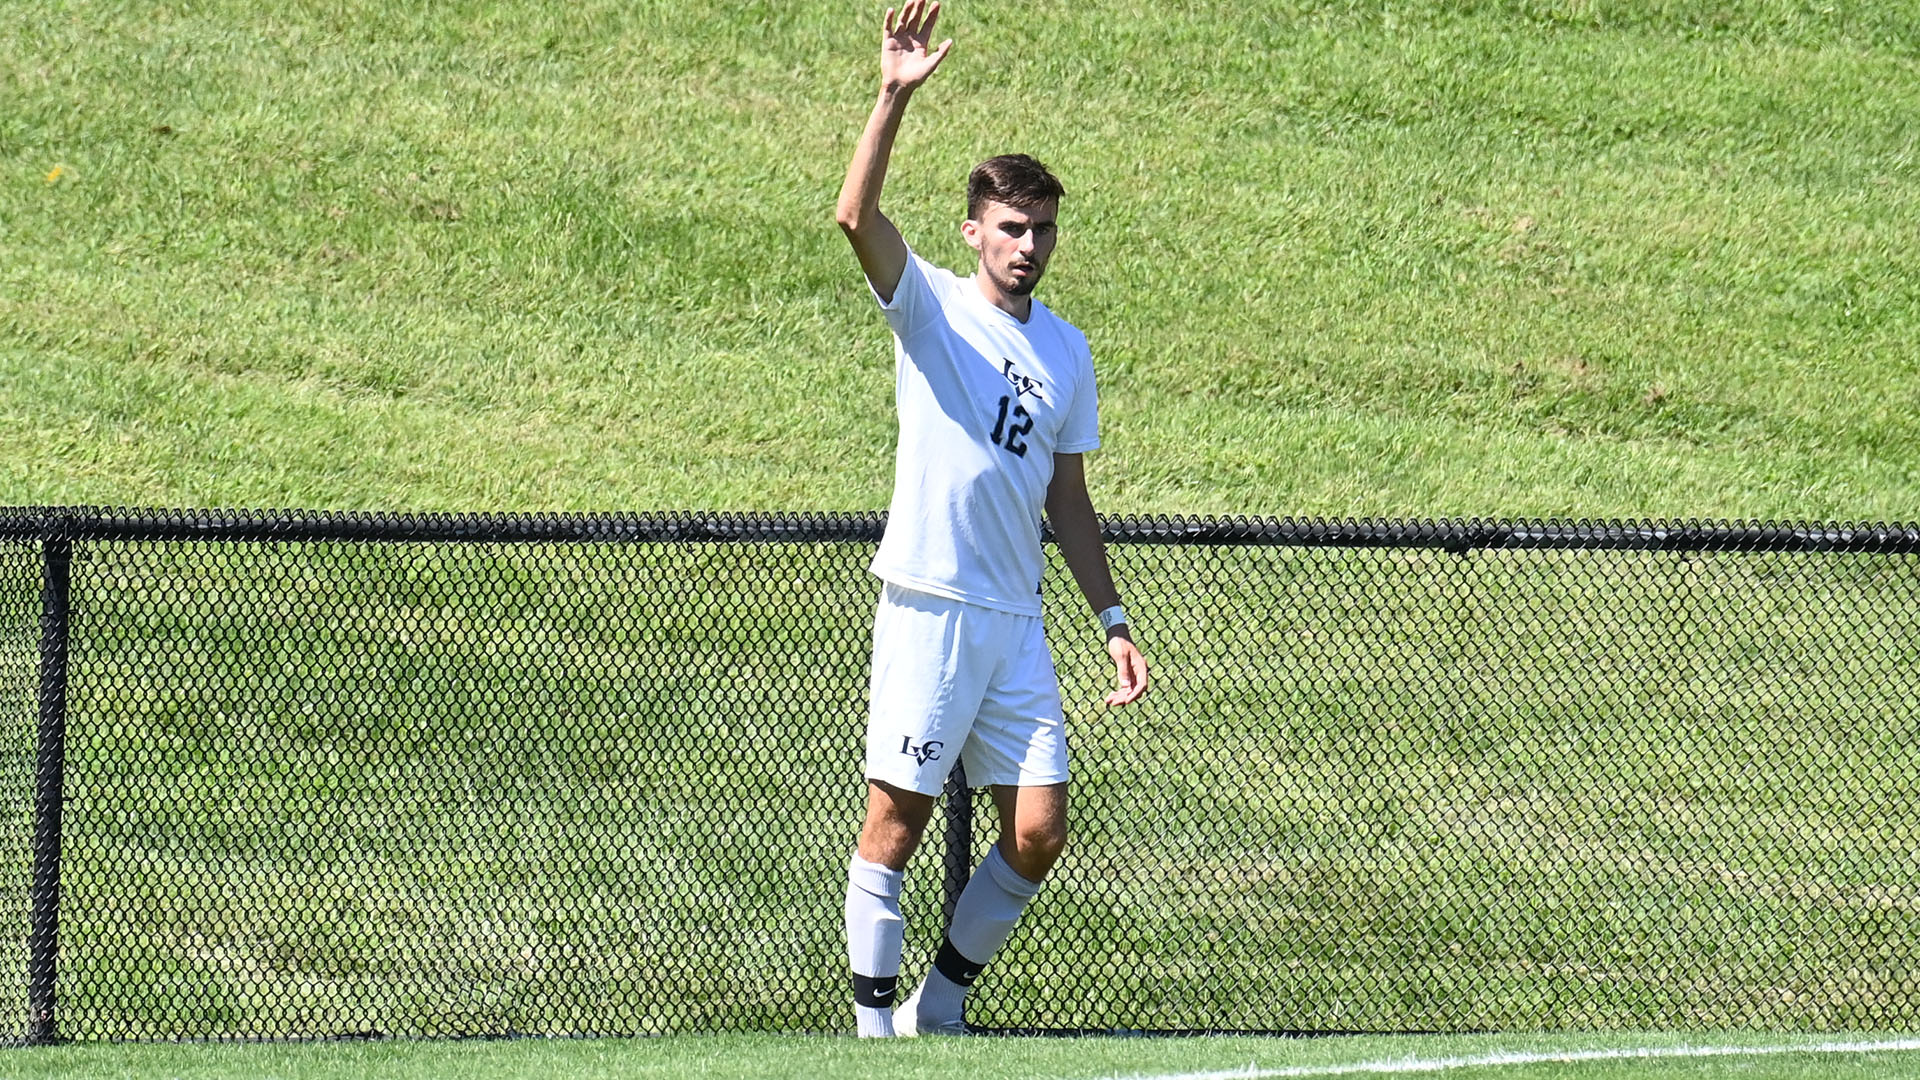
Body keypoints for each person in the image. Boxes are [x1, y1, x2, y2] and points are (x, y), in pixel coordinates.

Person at [833, 0, 1150, 1038]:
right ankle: (873, 1038)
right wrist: (891, 96)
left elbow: (1070, 498)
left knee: (1040, 829)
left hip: (1015, 618)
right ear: (973, 231)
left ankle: (941, 1010)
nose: (1028, 244)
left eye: (1042, 228)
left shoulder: (1067, 349)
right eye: (1011, 227)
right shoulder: (931, 305)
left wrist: (1112, 621)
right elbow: (854, 216)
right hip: (932, 599)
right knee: (896, 825)